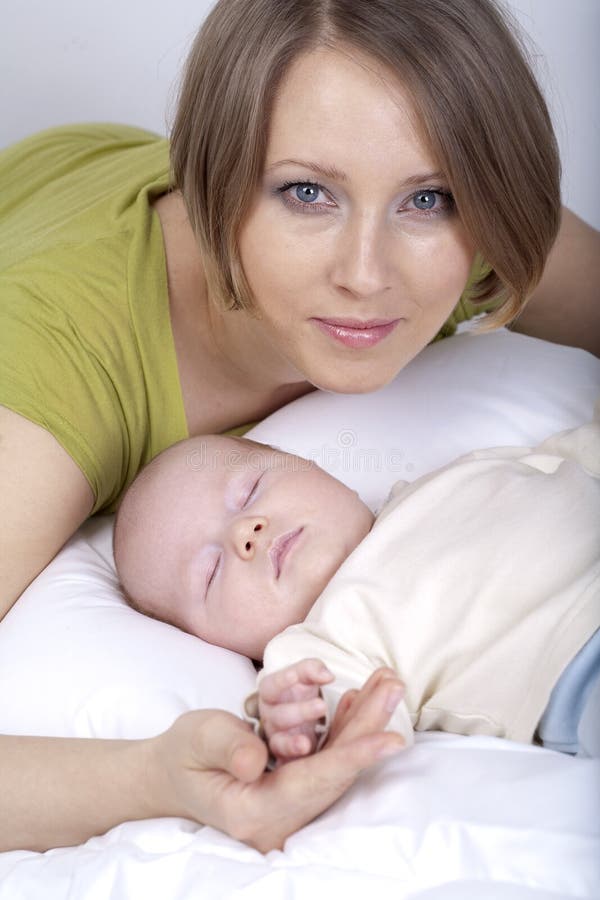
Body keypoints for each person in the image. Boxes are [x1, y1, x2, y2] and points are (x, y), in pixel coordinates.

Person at [1, 0, 599, 854]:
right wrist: (154, 779)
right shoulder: (58, 377)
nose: (366, 275)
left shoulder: (480, 236)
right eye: (306, 193)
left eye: (426, 197)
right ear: (212, 182)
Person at [113, 420, 600, 763]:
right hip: (578, 670)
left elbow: (576, 454)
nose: (246, 531)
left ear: (310, 465)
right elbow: (347, 724)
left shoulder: (455, 474)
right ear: (212, 641)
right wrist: (294, 725)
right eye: (212, 571)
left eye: (248, 491)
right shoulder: (317, 645)